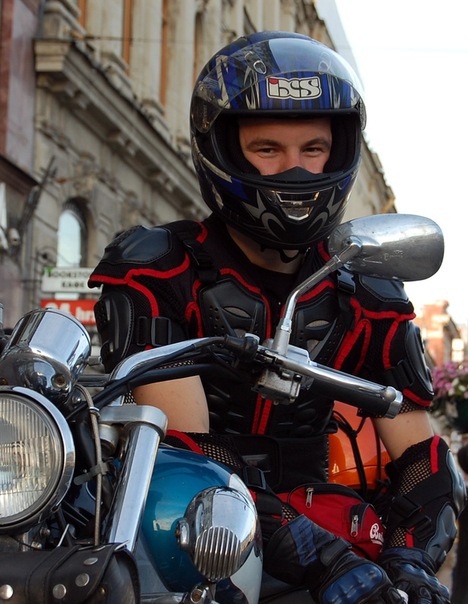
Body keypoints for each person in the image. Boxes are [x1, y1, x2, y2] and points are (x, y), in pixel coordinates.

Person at [89, 31, 465, 603]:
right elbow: (190, 456)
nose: (296, 171)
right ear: (224, 150)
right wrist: (325, 559)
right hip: (188, 534)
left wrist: (409, 560)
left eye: (313, 149)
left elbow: (423, 457)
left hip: (326, 523)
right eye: (268, 149)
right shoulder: (160, 269)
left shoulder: (364, 289)